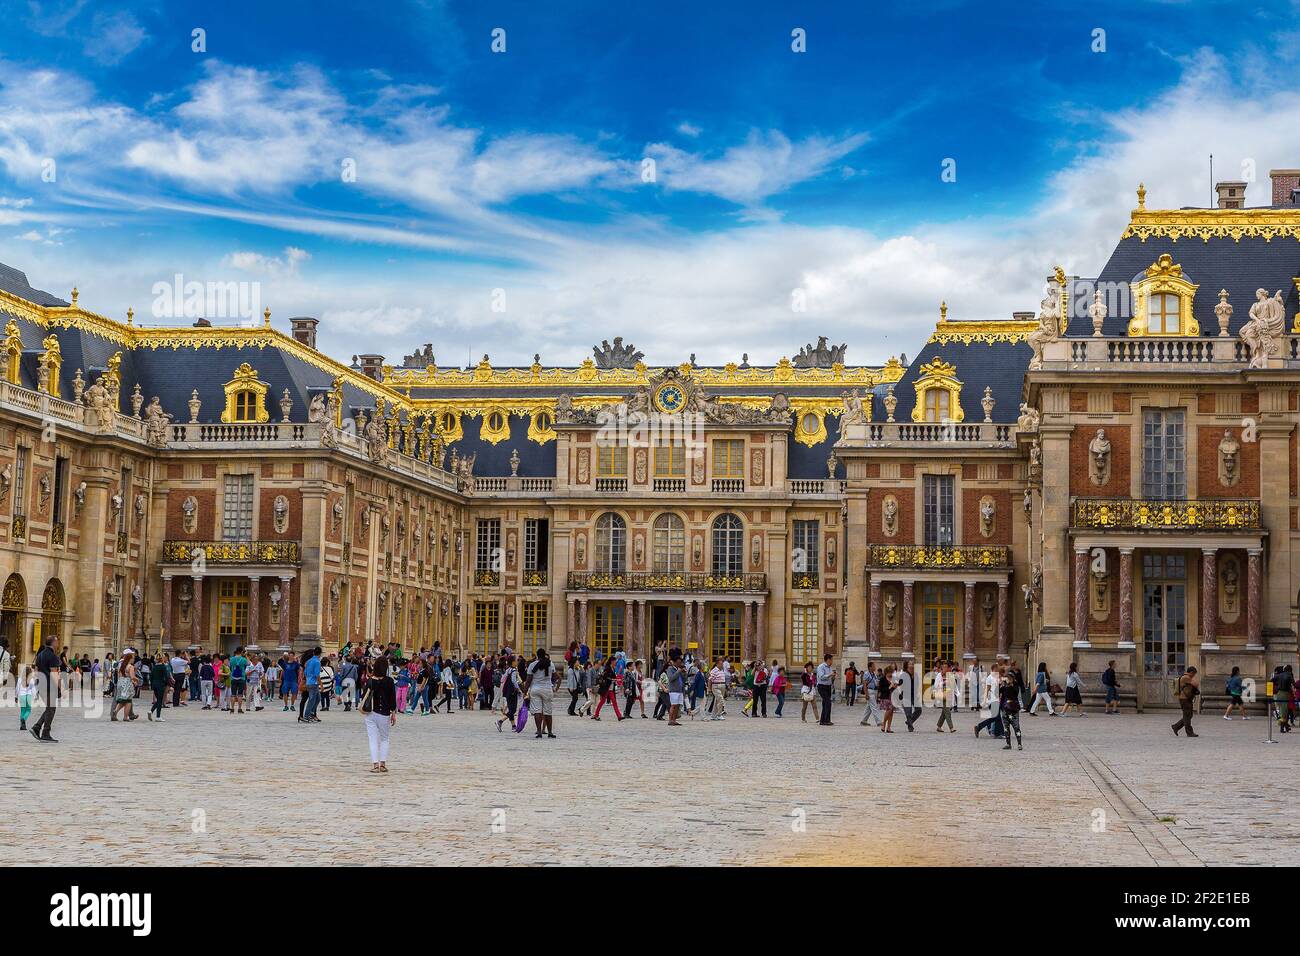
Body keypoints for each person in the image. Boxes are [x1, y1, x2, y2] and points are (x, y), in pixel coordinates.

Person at [361, 657, 397, 773]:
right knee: (384, 739)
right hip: (384, 713)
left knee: (372, 739)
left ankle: (375, 765)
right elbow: (392, 699)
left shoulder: (370, 681)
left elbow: (364, 696)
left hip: (371, 712)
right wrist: (393, 713)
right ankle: (383, 764)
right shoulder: (389, 681)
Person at [30, 636, 61, 742]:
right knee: (51, 709)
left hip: (41, 685)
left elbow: (36, 671)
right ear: (53, 643)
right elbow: (54, 673)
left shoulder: (40, 655)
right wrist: (61, 688)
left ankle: (37, 727)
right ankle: (45, 733)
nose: (58, 643)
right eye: (57, 641)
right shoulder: (52, 656)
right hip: (49, 686)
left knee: (49, 708)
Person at [524, 648, 558, 739]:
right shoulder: (550, 663)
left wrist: (525, 691)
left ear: (537, 656)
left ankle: (539, 732)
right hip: (547, 688)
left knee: (537, 711)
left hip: (535, 689)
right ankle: (550, 732)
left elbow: (528, 680)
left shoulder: (532, 665)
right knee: (548, 711)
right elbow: (555, 676)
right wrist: (553, 685)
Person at [1171, 665, 1200, 738]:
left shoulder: (1186, 677)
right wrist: (1193, 680)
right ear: (1191, 672)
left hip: (1186, 699)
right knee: (1187, 716)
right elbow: (1196, 684)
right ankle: (1189, 732)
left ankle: (1176, 726)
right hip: (1185, 699)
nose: (1194, 675)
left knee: (1188, 715)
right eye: (1194, 674)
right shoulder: (1186, 677)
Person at [110, 651, 138, 723]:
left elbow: (119, 675)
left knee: (122, 700)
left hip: (120, 683)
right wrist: (136, 679)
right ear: (130, 659)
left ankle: (115, 711)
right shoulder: (130, 666)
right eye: (133, 658)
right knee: (128, 700)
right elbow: (132, 677)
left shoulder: (122, 665)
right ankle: (125, 717)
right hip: (127, 684)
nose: (133, 660)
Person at [1000, 668, 1023, 751]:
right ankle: (1008, 744)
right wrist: (1001, 684)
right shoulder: (1004, 686)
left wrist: (1010, 685)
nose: (1008, 679)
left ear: (1013, 678)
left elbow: (1014, 694)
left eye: (1009, 678)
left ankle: (1019, 744)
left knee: (1016, 727)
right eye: (1007, 677)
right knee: (1006, 727)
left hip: (1013, 709)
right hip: (1005, 709)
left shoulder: (1015, 686)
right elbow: (998, 692)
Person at [147, 652, 171, 722]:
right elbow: (166, 677)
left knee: (158, 700)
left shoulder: (154, 667)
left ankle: (151, 711)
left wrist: (151, 685)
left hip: (154, 684)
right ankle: (158, 716)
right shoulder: (163, 667)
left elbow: (151, 677)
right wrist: (168, 684)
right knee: (160, 700)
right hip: (161, 684)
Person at [665, 648, 686, 726]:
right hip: (673, 690)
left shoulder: (679, 669)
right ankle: (670, 720)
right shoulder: (670, 669)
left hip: (680, 690)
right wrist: (678, 671)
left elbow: (683, 679)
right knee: (673, 705)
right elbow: (671, 678)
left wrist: (684, 673)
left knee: (677, 706)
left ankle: (674, 720)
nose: (679, 664)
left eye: (680, 663)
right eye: (678, 663)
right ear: (674, 662)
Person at [301, 647, 322, 723]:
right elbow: (317, 674)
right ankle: (307, 715)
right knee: (312, 700)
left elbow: (305, 673)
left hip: (309, 682)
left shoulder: (309, 661)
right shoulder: (317, 662)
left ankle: (311, 713)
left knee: (318, 698)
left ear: (313, 653)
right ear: (320, 654)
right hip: (314, 683)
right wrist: (321, 684)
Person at [934, 661, 955, 732]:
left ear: (949, 668)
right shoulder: (939, 675)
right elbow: (936, 686)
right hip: (941, 695)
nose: (944, 668)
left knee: (944, 712)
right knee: (947, 711)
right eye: (943, 667)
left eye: (946, 667)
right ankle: (951, 728)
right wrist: (943, 683)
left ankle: (939, 726)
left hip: (948, 695)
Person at [860, 662, 883, 727]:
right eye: (874, 666)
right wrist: (866, 694)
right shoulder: (866, 674)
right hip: (870, 691)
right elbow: (864, 684)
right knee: (874, 706)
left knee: (869, 707)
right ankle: (879, 722)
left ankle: (864, 721)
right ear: (870, 667)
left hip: (874, 691)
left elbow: (876, 682)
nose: (875, 667)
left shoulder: (874, 674)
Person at [815, 654, 835, 726]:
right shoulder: (821, 667)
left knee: (825, 703)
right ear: (828, 660)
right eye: (832, 660)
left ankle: (823, 720)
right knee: (828, 702)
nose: (832, 661)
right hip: (822, 686)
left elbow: (829, 677)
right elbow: (821, 677)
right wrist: (830, 675)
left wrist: (833, 677)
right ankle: (826, 720)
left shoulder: (830, 668)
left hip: (828, 686)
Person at [229, 646, 249, 715]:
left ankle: (232, 709)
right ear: (241, 652)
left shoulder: (231, 659)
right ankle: (239, 709)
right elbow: (249, 664)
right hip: (241, 678)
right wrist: (246, 655)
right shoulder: (243, 659)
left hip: (233, 678)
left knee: (233, 694)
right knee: (240, 694)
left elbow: (230, 666)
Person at [16, 665, 36, 732]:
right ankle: (24, 719)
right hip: (29, 696)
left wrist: (16, 696)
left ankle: (22, 725)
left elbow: (17, 689)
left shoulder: (20, 679)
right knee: (28, 710)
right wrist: (35, 696)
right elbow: (33, 689)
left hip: (22, 695)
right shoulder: (31, 679)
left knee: (23, 710)